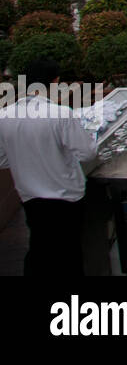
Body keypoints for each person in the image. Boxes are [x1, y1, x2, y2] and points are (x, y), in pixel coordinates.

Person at [0, 58, 99, 277]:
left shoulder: (4, 116)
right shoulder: (60, 114)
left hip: (30, 197)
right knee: (68, 254)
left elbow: (1, 159)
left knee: (40, 250)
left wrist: (24, 157)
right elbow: (87, 153)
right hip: (66, 198)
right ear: (55, 82)